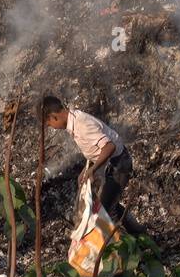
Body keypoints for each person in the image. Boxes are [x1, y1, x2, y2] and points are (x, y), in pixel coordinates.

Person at [42, 95, 144, 234]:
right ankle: (140, 234)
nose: (51, 127)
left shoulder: (81, 124)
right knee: (108, 204)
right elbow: (94, 149)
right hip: (112, 164)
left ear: (54, 117)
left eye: (49, 124)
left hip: (119, 165)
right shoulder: (75, 120)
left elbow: (109, 147)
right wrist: (87, 169)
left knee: (106, 213)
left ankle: (123, 247)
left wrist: (93, 169)